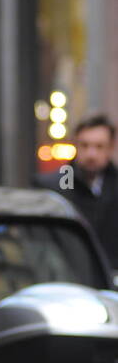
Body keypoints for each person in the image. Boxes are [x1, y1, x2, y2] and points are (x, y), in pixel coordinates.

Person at [56, 114, 118, 270]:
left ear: (110, 148)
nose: (91, 154)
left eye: (99, 146)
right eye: (85, 145)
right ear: (75, 146)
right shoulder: (59, 184)